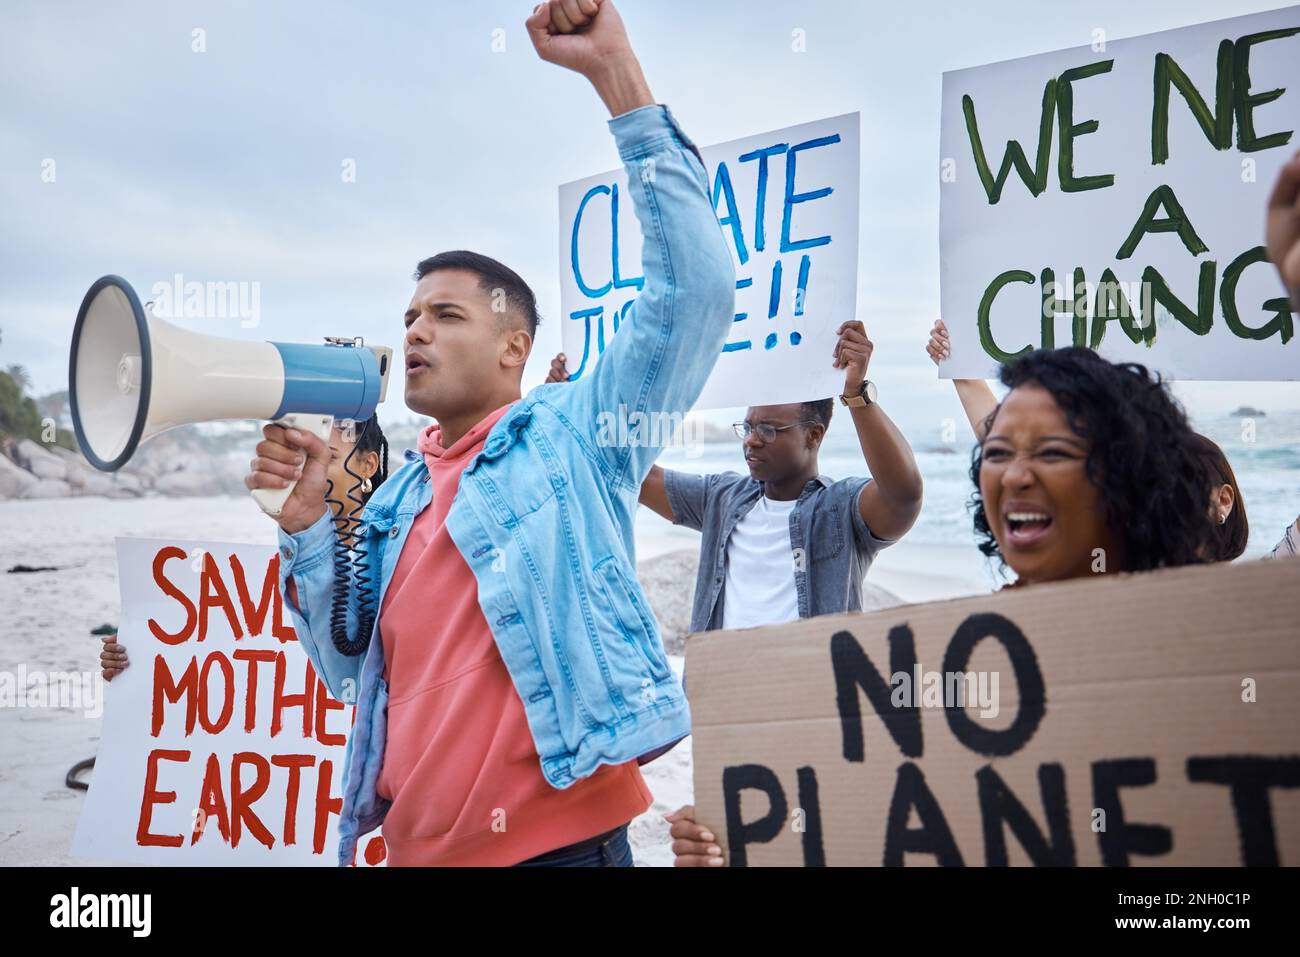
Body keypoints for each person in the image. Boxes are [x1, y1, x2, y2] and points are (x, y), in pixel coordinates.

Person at [245, 0, 736, 867]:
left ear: (516, 345)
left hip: (560, 851)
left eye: (445, 313)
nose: (416, 333)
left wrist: (616, 78)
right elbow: (350, 674)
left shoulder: (577, 435)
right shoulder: (395, 500)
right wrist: (309, 529)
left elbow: (692, 294)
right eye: (409, 316)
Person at [925, 319, 1248, 560]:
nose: (1163, 493)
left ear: (1224, 501)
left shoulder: (1257, 596)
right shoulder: (1092, 575)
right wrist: (963, 370)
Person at [98, 414, 389, 682]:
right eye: (302, 459)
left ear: (368, 466)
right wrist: (140, 653)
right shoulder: (283, 561)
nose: (310, 471)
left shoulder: (394, 557)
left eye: (328, 458)